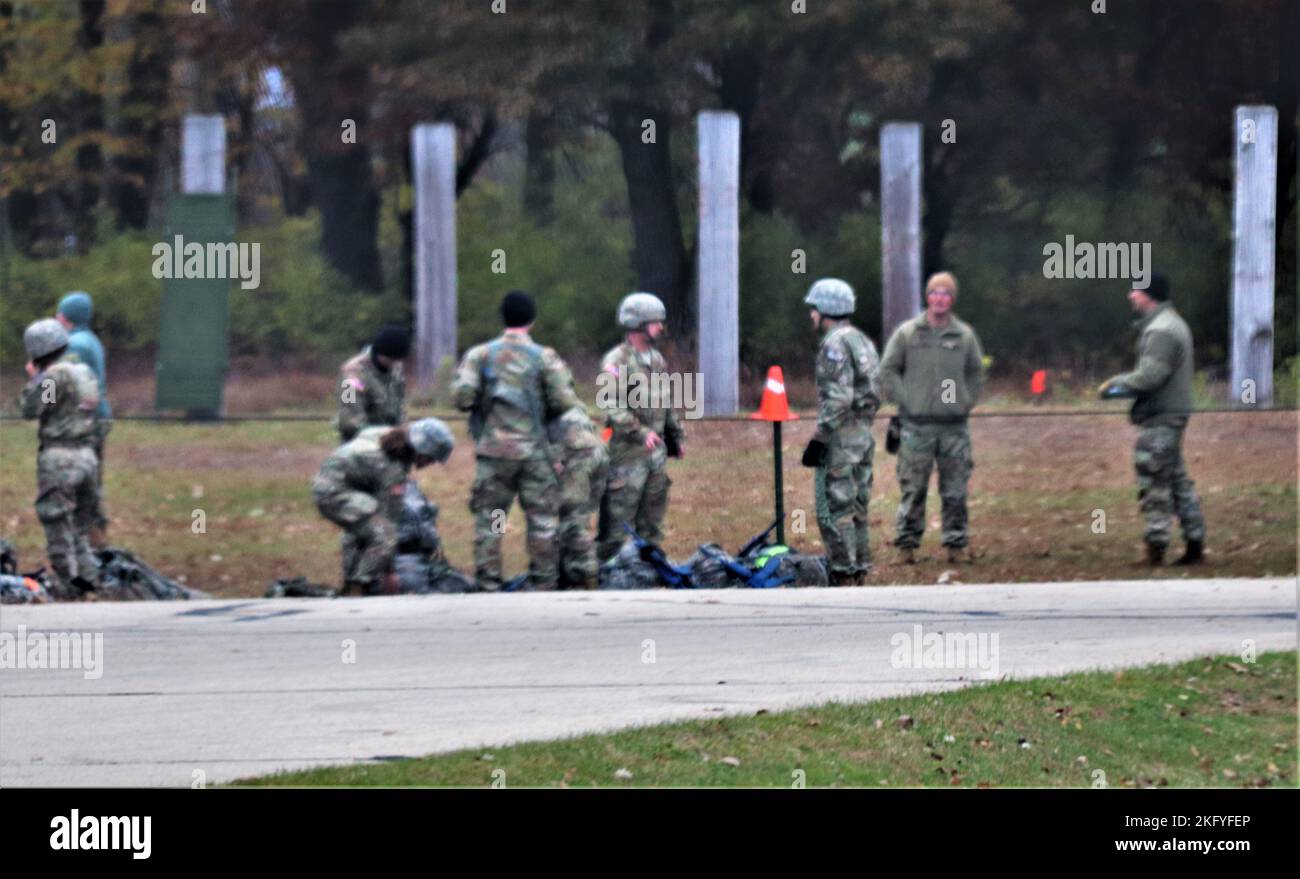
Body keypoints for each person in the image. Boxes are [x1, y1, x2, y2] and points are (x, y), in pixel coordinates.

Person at [452, 290, 580, 591]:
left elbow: (461, 397)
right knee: (541, 521)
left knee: (493, 520)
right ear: (532, 320)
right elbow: (564, 401)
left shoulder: (480, 355)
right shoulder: (544, 357)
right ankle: (544, 584)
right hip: (535, 455)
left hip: (495, 456)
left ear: (503, 318)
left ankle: (489, 584)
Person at [1098, 274, 1206, 565]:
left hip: (1162, 416)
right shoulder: (1170, 323)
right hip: (1170, 413)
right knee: (1176, 479)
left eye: (1135, 290)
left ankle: (1155, 549)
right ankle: (1195, 543)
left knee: (1154, 479)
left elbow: (1149, 377)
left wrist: (1112, 386)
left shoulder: (1161, 330)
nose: (1130, 296)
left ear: (1149, 295)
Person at [879, 271, 984, 564]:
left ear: (952, 299)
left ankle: (955, 545)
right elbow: (887, 370)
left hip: (953, 429)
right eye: (935, 293)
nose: (940, 298)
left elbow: (976, 373)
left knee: (955, 490)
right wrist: (907, 400)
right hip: (916, 428)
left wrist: (963, 401)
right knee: (913, 489)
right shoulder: (909, 333)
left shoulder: (963, 336)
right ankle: (906, 547)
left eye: (946, 293)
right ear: (928, 297)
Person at [799, 278, 882, 585]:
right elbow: (875, 389)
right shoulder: (862, 341)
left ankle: (843, 572)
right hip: (863, 433)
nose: (811, 315)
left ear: (825, 310)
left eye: (814, 309)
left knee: (834, 510)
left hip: (841, 437)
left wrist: (820, 437)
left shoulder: (834, 344)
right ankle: (860, 569)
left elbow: (839, 398)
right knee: (859, 507)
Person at [312, 418, 455, 595]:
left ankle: (351, 581)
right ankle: (357, 588)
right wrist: (390, 572)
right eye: (431, 458)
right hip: (335, 493)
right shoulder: (392, 469)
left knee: (366, 529)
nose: (431, 464)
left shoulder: (386, 434)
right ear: (421, 450)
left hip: (336, 485)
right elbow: (390, 519)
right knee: (385, 534)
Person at [594, 292, 685, 563]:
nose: (661, 327)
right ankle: (608, 577)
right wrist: (640, 431)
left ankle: (650, 571)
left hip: (655, 458)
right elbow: (609, 405)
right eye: (656, 322)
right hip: (627, 458)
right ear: (639, 325)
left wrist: (675, 435)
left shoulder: (657, 360)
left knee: (652, 527)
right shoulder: (616, 361)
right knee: (616, 530)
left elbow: (666, 402)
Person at [19, 319, 102, 600]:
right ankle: (90, 585)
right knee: (79, 529)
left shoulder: (54, 377)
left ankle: (71, 588)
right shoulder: (84, 372)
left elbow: (34, 408)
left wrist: (35, 379)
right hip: (88, 457)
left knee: (58, 524)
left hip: (60, 459)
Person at [55, 291, 111, 546]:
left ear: (66, 316)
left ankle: (88, 539)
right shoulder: (90, 340)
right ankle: (94, 536)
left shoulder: (75, 345)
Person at [551, 402, 609, 589]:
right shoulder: (569, 400)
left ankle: (587, 576)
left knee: (574, 520)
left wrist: (556, 459)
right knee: (577, 517)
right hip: (598, 453)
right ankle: (571, 575)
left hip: (579, 454)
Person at [334, 324, 410, 442]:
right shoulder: (352, 377)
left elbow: (399, 410)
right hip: (359, 444)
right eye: (391, 359)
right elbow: (349, 421)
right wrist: (385, 436)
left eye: (398, 360)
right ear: (380, 353)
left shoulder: (395, 372)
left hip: (390, 444)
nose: (395, 364)